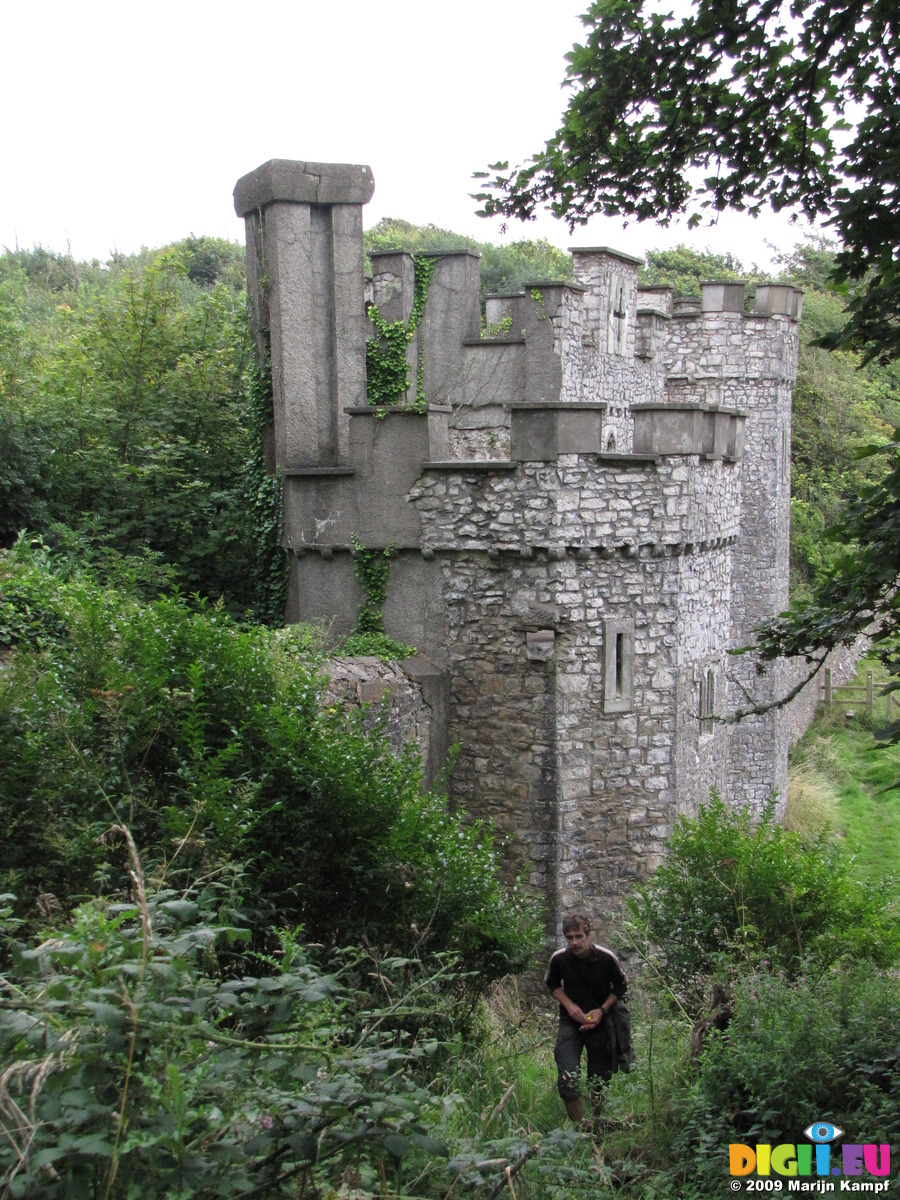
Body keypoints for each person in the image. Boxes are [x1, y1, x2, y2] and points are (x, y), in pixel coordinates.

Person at [545, 912, 628, 1127]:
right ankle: (580, 1129)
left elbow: (621, 986)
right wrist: (569, 1005)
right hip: (570, 1023)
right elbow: (552, 984)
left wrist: (601, 1010)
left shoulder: (607, 958)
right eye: (569, 937)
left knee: (599, 1079)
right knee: (567, 1075)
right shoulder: (559, 959)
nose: (574, 942)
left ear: (588, 935)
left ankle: (597, 1124)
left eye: (578, 936)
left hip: (600, 1025)